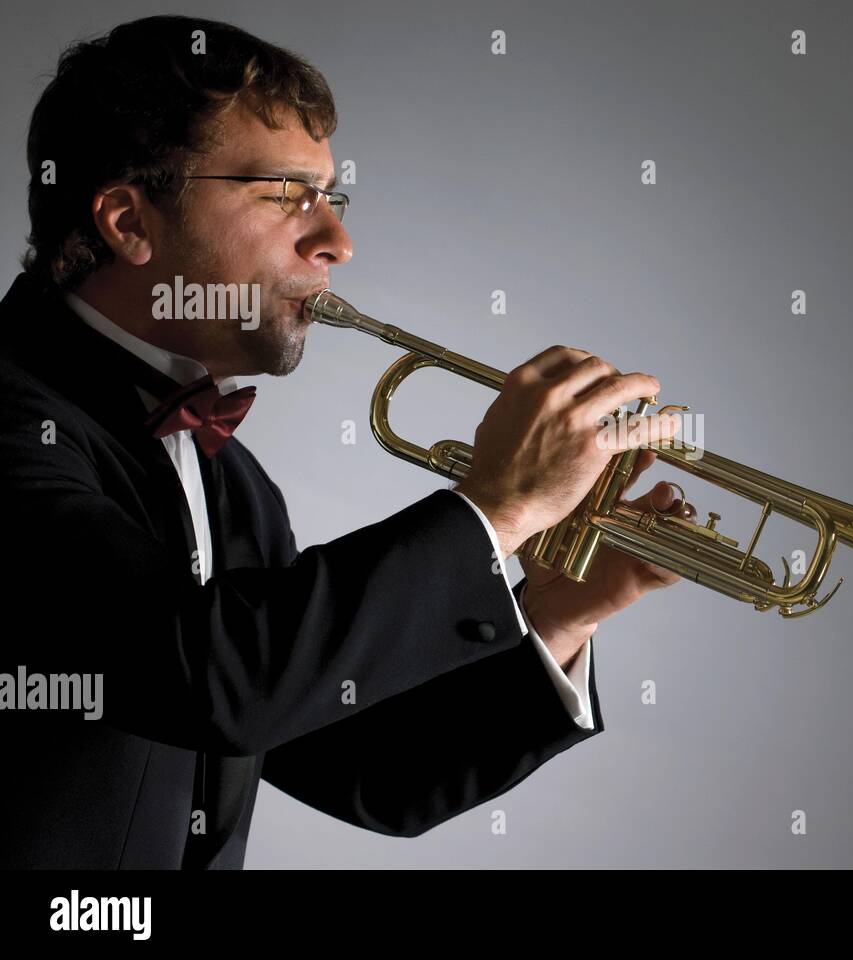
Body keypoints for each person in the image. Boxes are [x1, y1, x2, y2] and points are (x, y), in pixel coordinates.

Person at [0, 15, 685, 869]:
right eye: (287, 195)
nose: (338, 242)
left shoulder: (230, 481)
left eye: (333, 198)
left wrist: (556, 611)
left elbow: (367, 771)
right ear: (128, 222)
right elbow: (209, 676)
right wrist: (496, 508)